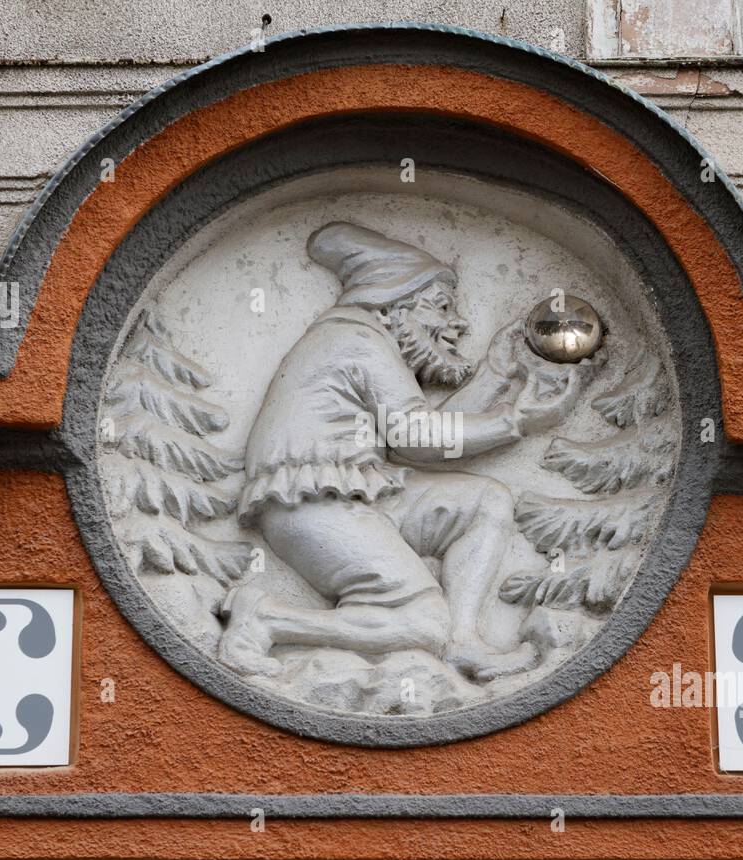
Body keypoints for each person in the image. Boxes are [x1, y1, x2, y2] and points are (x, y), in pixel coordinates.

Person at [219, 221, 595, 681]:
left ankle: (462, 642)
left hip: (362, 494)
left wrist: (495, 376)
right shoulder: (354, 339)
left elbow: (421, 446)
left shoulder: (366, 340)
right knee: (421, 621)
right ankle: (265, 618)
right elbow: (416, 436)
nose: (456, 323)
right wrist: (515, 421)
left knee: (485, 501)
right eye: (440, 307)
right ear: (393, 306)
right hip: (314, 504)